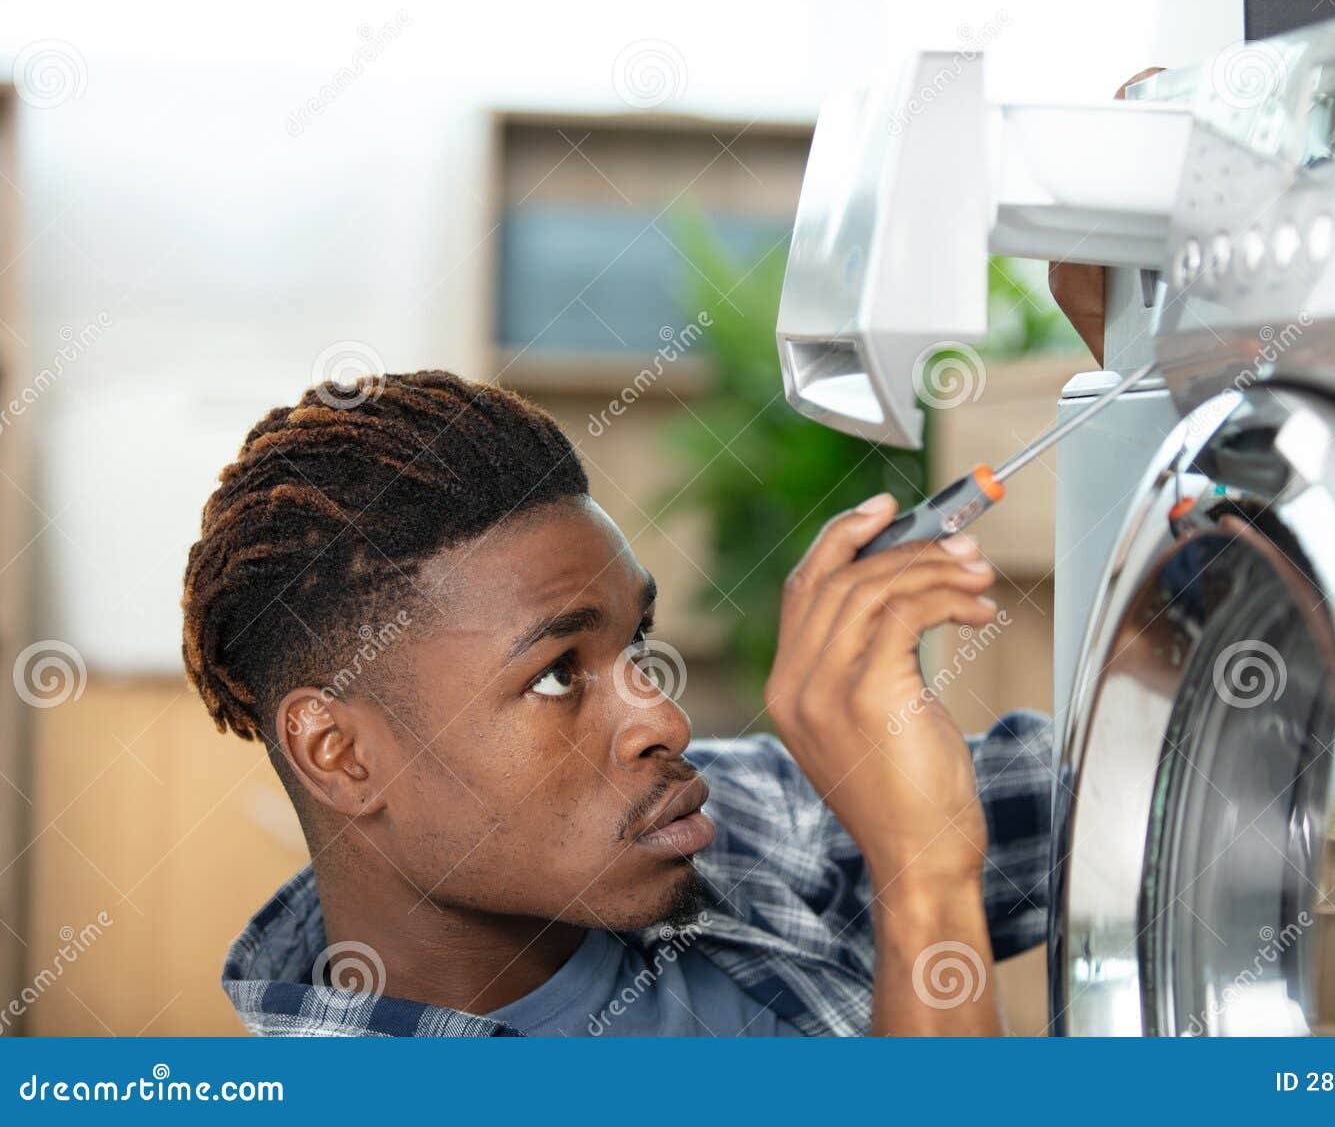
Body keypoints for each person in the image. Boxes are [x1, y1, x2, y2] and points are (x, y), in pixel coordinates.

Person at [185, 371, 1057, 1036]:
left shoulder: (717, 822)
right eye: (558, 674)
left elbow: (1115, 805)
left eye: (635, 643)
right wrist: (925, 883)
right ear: (339, 752)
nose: (663, 721)